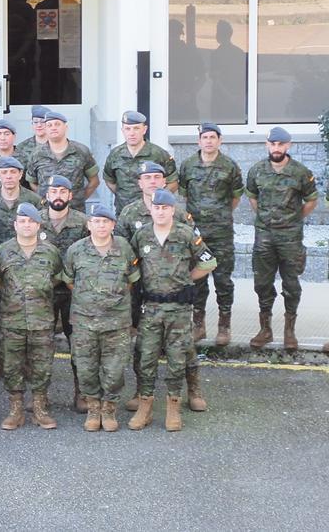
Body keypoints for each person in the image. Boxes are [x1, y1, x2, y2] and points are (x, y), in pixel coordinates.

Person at [129, 190, 216, 432]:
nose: (160, 211)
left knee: (177, 360)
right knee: (146, 358)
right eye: (156, 208)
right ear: (152, 210)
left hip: (178, 308)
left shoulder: (185, 233)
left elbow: (209, 262)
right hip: (151, 308)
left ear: (172, 210)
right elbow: (131, 266)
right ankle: (145, 407)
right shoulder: (142, 235)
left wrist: (187, 279)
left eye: (165, 208)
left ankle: (173, 406)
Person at [62, 203, 138, 432]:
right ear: (89, 225)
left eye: (105, 221)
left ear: (113, 224)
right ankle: (94, 408)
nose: (101, 225)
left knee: (114, 370)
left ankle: (109, 408)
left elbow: (133, 279)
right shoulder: (76, 250)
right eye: (96, 221)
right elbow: (68, 280)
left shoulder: (124, 248)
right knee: (85, 368)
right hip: (85, 322)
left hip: (117, 322)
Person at [246, 127, 319, 351]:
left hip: (291, 238)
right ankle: (265, 329)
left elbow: (311, 200)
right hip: (264, 236)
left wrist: (294, 219)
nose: (276, 148)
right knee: (262, 283)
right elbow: (253, 198)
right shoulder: (257, 170)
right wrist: (266, 219)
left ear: (288, 146)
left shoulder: (300, 172)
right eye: (272, 144)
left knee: (291, 284)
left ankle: (289, 331)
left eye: (281, 144)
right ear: (266, 145)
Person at [0, 204, 64, 431]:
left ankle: (40, 407)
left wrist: (37, 290)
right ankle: (16, 409)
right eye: (22, 221)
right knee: (12, 365)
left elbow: (57, 278)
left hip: (42, 319)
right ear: (15, 225)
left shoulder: (50, 251)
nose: (26, 225)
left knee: (42, 365)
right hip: (11, 319)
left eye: (31, 222)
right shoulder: (3, 251)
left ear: (38, 225)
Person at [0, 156, 43, 381]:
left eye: (14, 172)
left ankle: (26, 364)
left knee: (25, 317)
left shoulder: (33, 200)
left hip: (25, 264)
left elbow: (41, 232)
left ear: (21, 174)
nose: (9, 176)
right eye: (5, 172)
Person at [177, 123, 243, 345]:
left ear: (219, 140)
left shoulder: (230, 166)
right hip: (196, 235)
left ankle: (224, 327)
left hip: (222, 233)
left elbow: (235, 198)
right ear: (199, 141)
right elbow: (185, 195)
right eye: (204, 137)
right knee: (198, 280)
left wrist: (219, 215)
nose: (208, 141)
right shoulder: (187, 166)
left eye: (213, 137)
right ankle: (199, 325)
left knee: (223, 281)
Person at [37, 174, 91, 411]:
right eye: (53, 191)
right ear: (46, 195)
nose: (57, 196)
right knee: (40, 345)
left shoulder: (83, 222)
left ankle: (82, 393)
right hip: (42, 293)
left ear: (70, 195)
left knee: (78, 344)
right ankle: (40, 394)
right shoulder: (34, 221)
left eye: (62, 191)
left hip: (73, 292)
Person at [103, 111, 178, 213]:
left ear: (144, 129)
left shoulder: (158, 154)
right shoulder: (115, 155)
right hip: (124, 212)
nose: (132, 133)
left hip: (151, 213)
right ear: (123, 131)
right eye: (128, 129)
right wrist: (124, 196)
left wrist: (158, 199)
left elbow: (173, 182)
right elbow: (110, 181)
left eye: (136, 128)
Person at [25, 110, 99, 212]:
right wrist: (46, 198)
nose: (53, 128)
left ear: (66, 127)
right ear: (45, 129)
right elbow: (32, 182)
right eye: (49, 125)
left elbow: (94, 181)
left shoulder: (81, 151)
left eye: (57, 124)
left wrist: (78, 198)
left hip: (75, 212)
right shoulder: (36, 154)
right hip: (46, 212)